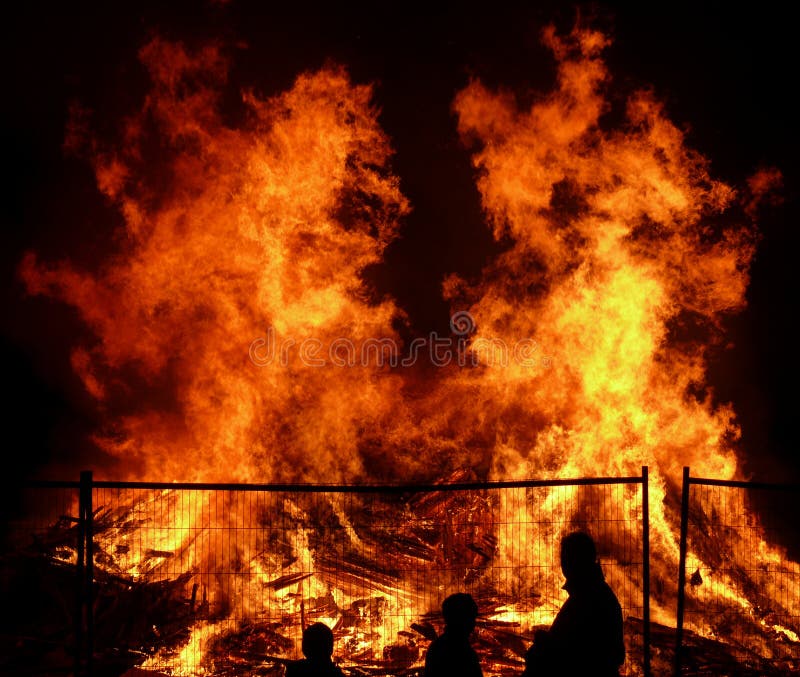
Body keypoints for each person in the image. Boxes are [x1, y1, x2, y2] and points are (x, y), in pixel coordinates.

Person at [523, 531, 625, 677]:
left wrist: (544, 645)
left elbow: (573, 651)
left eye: (567, 557)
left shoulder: (588, 599)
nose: (563, 563)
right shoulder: (591, 592)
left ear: (578, 560)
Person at [424, 592, 483, 677]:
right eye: (471, 618)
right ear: (462, 619)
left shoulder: (436, 647)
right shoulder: (463, 653)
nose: (474, 623)